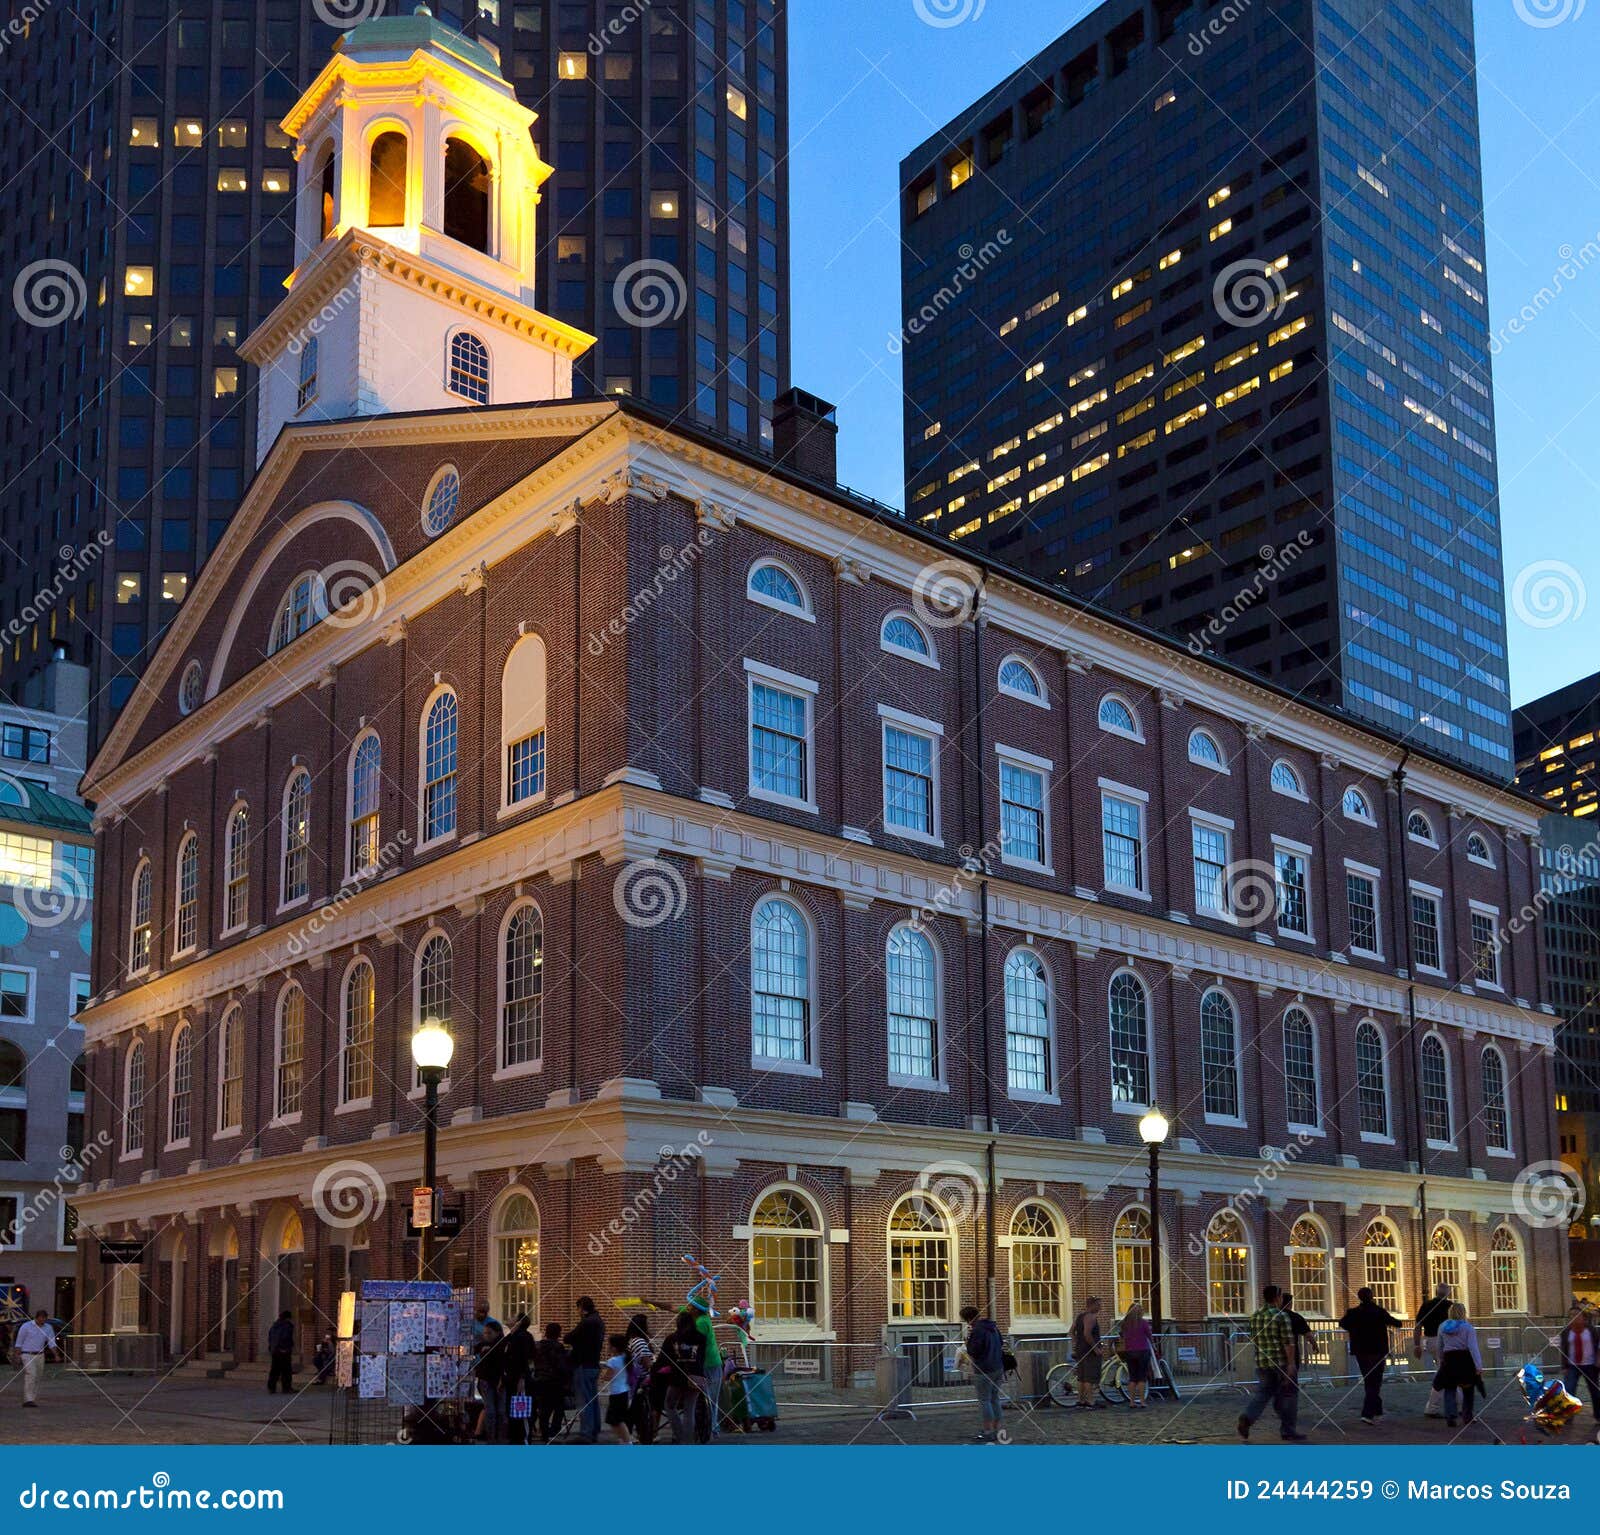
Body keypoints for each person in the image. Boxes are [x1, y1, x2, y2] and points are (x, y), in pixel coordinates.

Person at [1237, 1285, 1306, 1441]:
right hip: (1280, 1362)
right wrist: (1291, 1364)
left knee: (1263, 1393)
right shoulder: (1281, 1316)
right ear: (1277, 1297)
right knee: (1289, 1394)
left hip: (1262, 1362)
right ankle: (1288, 1430)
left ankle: (1248, 1416)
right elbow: (1288, 1342)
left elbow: (1254, 1338)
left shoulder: (1255, 1316)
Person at [1338, 1286, 1405, 1425]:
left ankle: (1378, 1410)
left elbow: (1342, 1323)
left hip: (1361, 1351)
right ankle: (1367, 1414)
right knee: (1374, 1382)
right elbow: (1397, 1323)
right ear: (1372, 1296)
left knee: (1370, 1381)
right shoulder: (1379, 1311)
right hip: (1377, 1350)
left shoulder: (1353, 1313)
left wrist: (1354, 1330)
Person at [656, 1310, 709, 1444]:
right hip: (696, 1377)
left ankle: (679, 1435)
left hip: (677, 1377)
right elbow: (702, 1358)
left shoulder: (672, 1338)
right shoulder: (701, 1338)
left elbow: (663, 1359)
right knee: (689, 1410)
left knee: (669, 1405)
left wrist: (657, 1370)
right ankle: (688, 1440)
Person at [1433, 1302, 1485, 1428]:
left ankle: (1450, 1415)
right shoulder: (1467, 1328)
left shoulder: (1442, 1327)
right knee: (1468, 1389)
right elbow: (1473, 1348)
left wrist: (1441, 1359)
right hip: (1465, 1360)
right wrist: (1478, 1366)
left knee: (1449, 1388)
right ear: (1463, 1312)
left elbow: (1439, 1346)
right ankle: (1467, 1416)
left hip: (1449, 1359)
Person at [960, 1303, 1006, 1442]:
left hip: (984, 1369)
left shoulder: (977, 1331)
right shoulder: (993, 1327)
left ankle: (988, 1430)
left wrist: (968, 1341)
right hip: (998, 1366)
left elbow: (974, 1351)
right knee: (995, 1398)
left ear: (968, 1319)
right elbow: (1001, 1342)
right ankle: (997, 1429)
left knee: (984, 1400)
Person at [568, 1296, 605, 1443]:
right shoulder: (599, 1321)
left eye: (578, 1308)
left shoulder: (587, 1322)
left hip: (583, 1365)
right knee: (593, 1400)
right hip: (594, 1364)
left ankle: (586, 1432)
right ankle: (595, 1428)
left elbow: (570, 1337)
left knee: (584, 1401)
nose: (577, 1311)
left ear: (582, 1308)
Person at [1414, 1282, 1453, 1418]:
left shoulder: (1426, 1305)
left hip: (1430, 1340)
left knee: (1446, 1373)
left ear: (1436, 1292)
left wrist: (1417, 1345)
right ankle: (1434, 1407)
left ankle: (1437, 1406)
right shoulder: (1450, 1307)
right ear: (1447, 1292)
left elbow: (1418, 1326)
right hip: (1446, 1342)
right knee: (1448, 1373)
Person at [531, 1321, 571, 1444]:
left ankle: (544, 1432)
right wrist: (566, 1379)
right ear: (558, 1334)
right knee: (558, 1407)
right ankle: (554, 1430)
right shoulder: (558, 1347)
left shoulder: (538, 1346)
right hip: (555, 1381)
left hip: (540, 1380)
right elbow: (561, 1365)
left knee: (543, 1409)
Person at [690, 1302, 725, 1437]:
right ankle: (710, 1427)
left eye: (691, 1307)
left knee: (709, 1397)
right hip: (709, 1363)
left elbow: (697, 1343)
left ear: (697, 1310)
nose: (688, 1308)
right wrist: (651, 1302)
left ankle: (711, 1428)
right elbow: (673, 1308)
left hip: (709, 1363)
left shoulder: (701, 1322)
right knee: (710, 1397)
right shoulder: (701, 1317)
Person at [1558, 1304, 1599, 1416]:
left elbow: (1598, 1345)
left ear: (1583, 1317)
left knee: (1595, 1391)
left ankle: (1598, 1415)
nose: (1573, 1317)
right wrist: (1564, 1366)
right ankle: (1568, 1415)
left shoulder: (1591, 1330)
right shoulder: (1566, 1332)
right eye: (1571, 1315)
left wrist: (1598, 1361)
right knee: (1569, 1390)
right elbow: (1563, 1350)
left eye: (1576, 1315)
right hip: (1572, 1366)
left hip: (1590, 1365)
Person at [624, 1314, 657, 1444]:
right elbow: (647, 1364)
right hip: (642, 1380)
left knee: (634, 1411)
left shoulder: (631, 1340)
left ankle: (633, 1435)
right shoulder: (640, 1342)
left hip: (633, 1381)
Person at [1069, 1296, 1107, 1410]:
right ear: (1092, 1305)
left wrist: (1076, 1343)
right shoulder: (1090, 1317)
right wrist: (1095, 1348)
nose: (1100, 1307)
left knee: (1081, 1376)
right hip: (1089, 1352)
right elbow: (1087, 1334)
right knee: (1089, 1377)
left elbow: (1071, 1332)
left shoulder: (1080, 1316)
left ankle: (1080, 1400)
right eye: (1098, 1304)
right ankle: (1090, 1401)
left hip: (1080, 1350)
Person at [474, 1320, 508, 1443]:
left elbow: (503, 1364)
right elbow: (475, 1349)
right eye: (485, 1333)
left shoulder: (502, 1345)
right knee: (491, 1411)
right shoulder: (484, 1344)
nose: (486, 1335)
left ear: (497, 1333)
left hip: (496, 1380)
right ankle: (493, 1438)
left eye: (489, 1333)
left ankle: (499, 1438)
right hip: (486, 1380)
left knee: (499, 1411)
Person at [15, 1310, 56, 1408]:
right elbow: (19, 1342)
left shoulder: (48, 1327)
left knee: (38, 1376)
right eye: (41, 1318)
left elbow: (51, 1342)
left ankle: (32, 1398)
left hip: (40, 1355)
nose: (43, 1320)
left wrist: (56, 1354)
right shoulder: (26, 1326)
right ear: (36, 1317)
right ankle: (28, 1400)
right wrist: (17, 1355)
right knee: (31, 1375)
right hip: (27, 1354)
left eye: (45, 1318)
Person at [1118, 1302, 1154, 1410]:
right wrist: (1153, 1345)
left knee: (1132, 1378)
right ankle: (1142, 1401)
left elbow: (1122, 1336)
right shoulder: (1143, 1323)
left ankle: (1132, 1401)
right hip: (1143, 1350)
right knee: (1142, 1378)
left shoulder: (1125, 1323)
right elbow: (1149, 1335)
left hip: (1130, 1352)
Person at [601, 1334, 634, 1444]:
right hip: (625, 1391)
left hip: (616, 1393)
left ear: (614, 1348)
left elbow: (607, 1377)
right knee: (616, 1420)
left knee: (615, 1420)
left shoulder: (613, 1361)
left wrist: (602, 1375)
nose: (607, 1347)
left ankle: (627, 1441)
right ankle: (623, 1439)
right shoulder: (626, 1357)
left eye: (609, 1345)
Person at [1278, 1290, 1312, 1374]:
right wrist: (1314, 1345)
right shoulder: (1296, 1317)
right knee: (1291, 1380)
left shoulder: (1273, 1316)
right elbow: (1308, 1334)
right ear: (1291, 1303)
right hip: (1292, 1352)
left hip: (1275, 1353)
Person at [266, 1310, 295, 1395]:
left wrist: (272, 1348)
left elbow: (270, 1338)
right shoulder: (287, 1326)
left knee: (274, 1370)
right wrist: (285, 1348)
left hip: (275, 1350)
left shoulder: (274, 1326)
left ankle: (271, 1388)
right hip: (283, 1351)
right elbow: (286, 1337)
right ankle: (286, 1388)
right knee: (286, 1370)